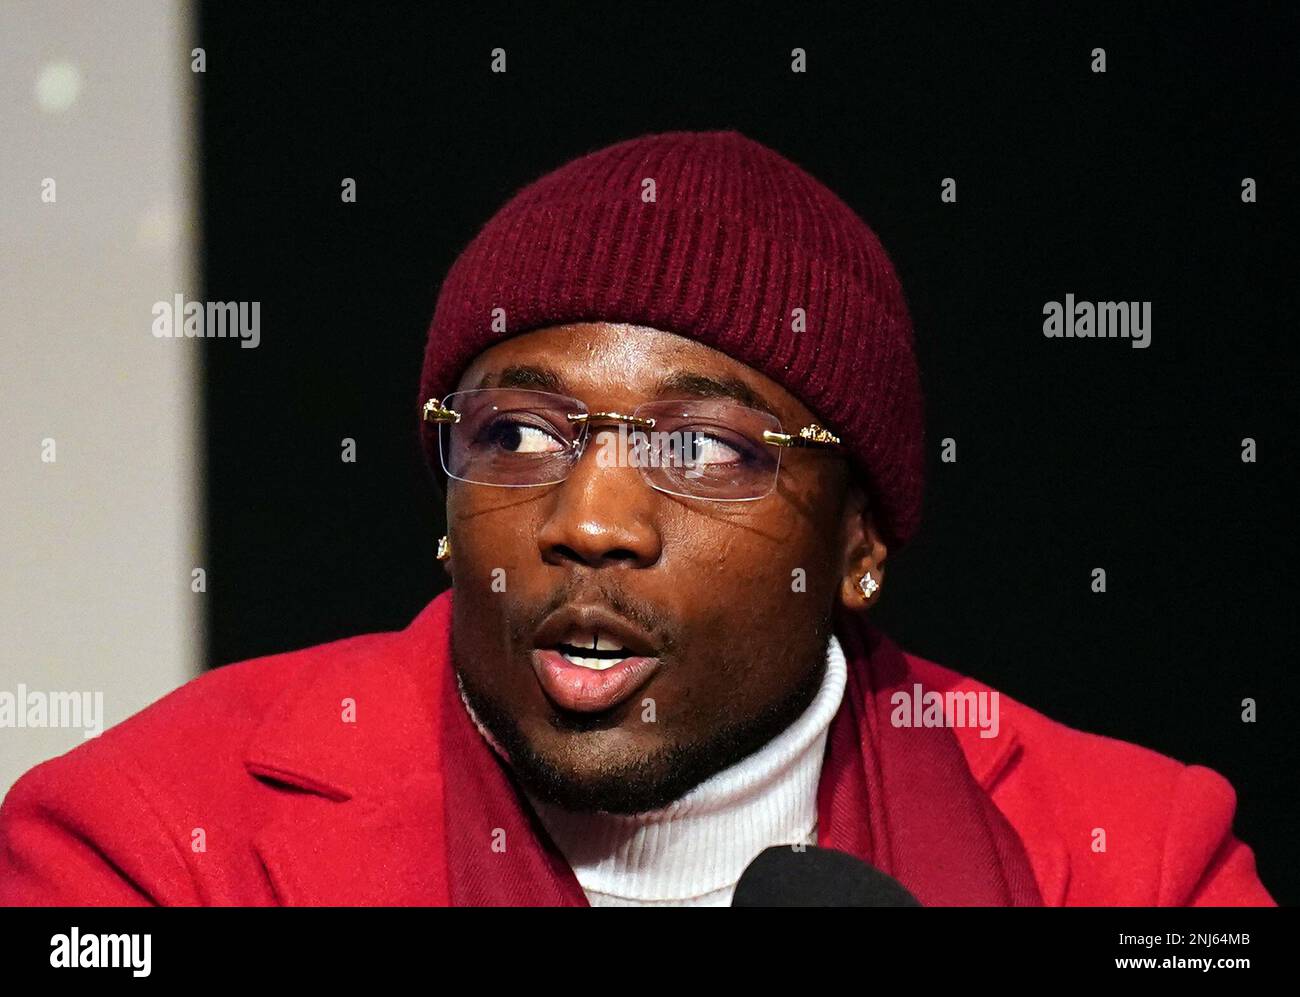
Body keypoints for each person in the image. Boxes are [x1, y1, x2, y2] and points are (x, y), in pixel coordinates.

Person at [0, 131, 1274, 906]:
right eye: (516, 435)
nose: (589, 520)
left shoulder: (1133, 860)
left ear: (859, 546)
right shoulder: (154, 839)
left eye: (702, 448)